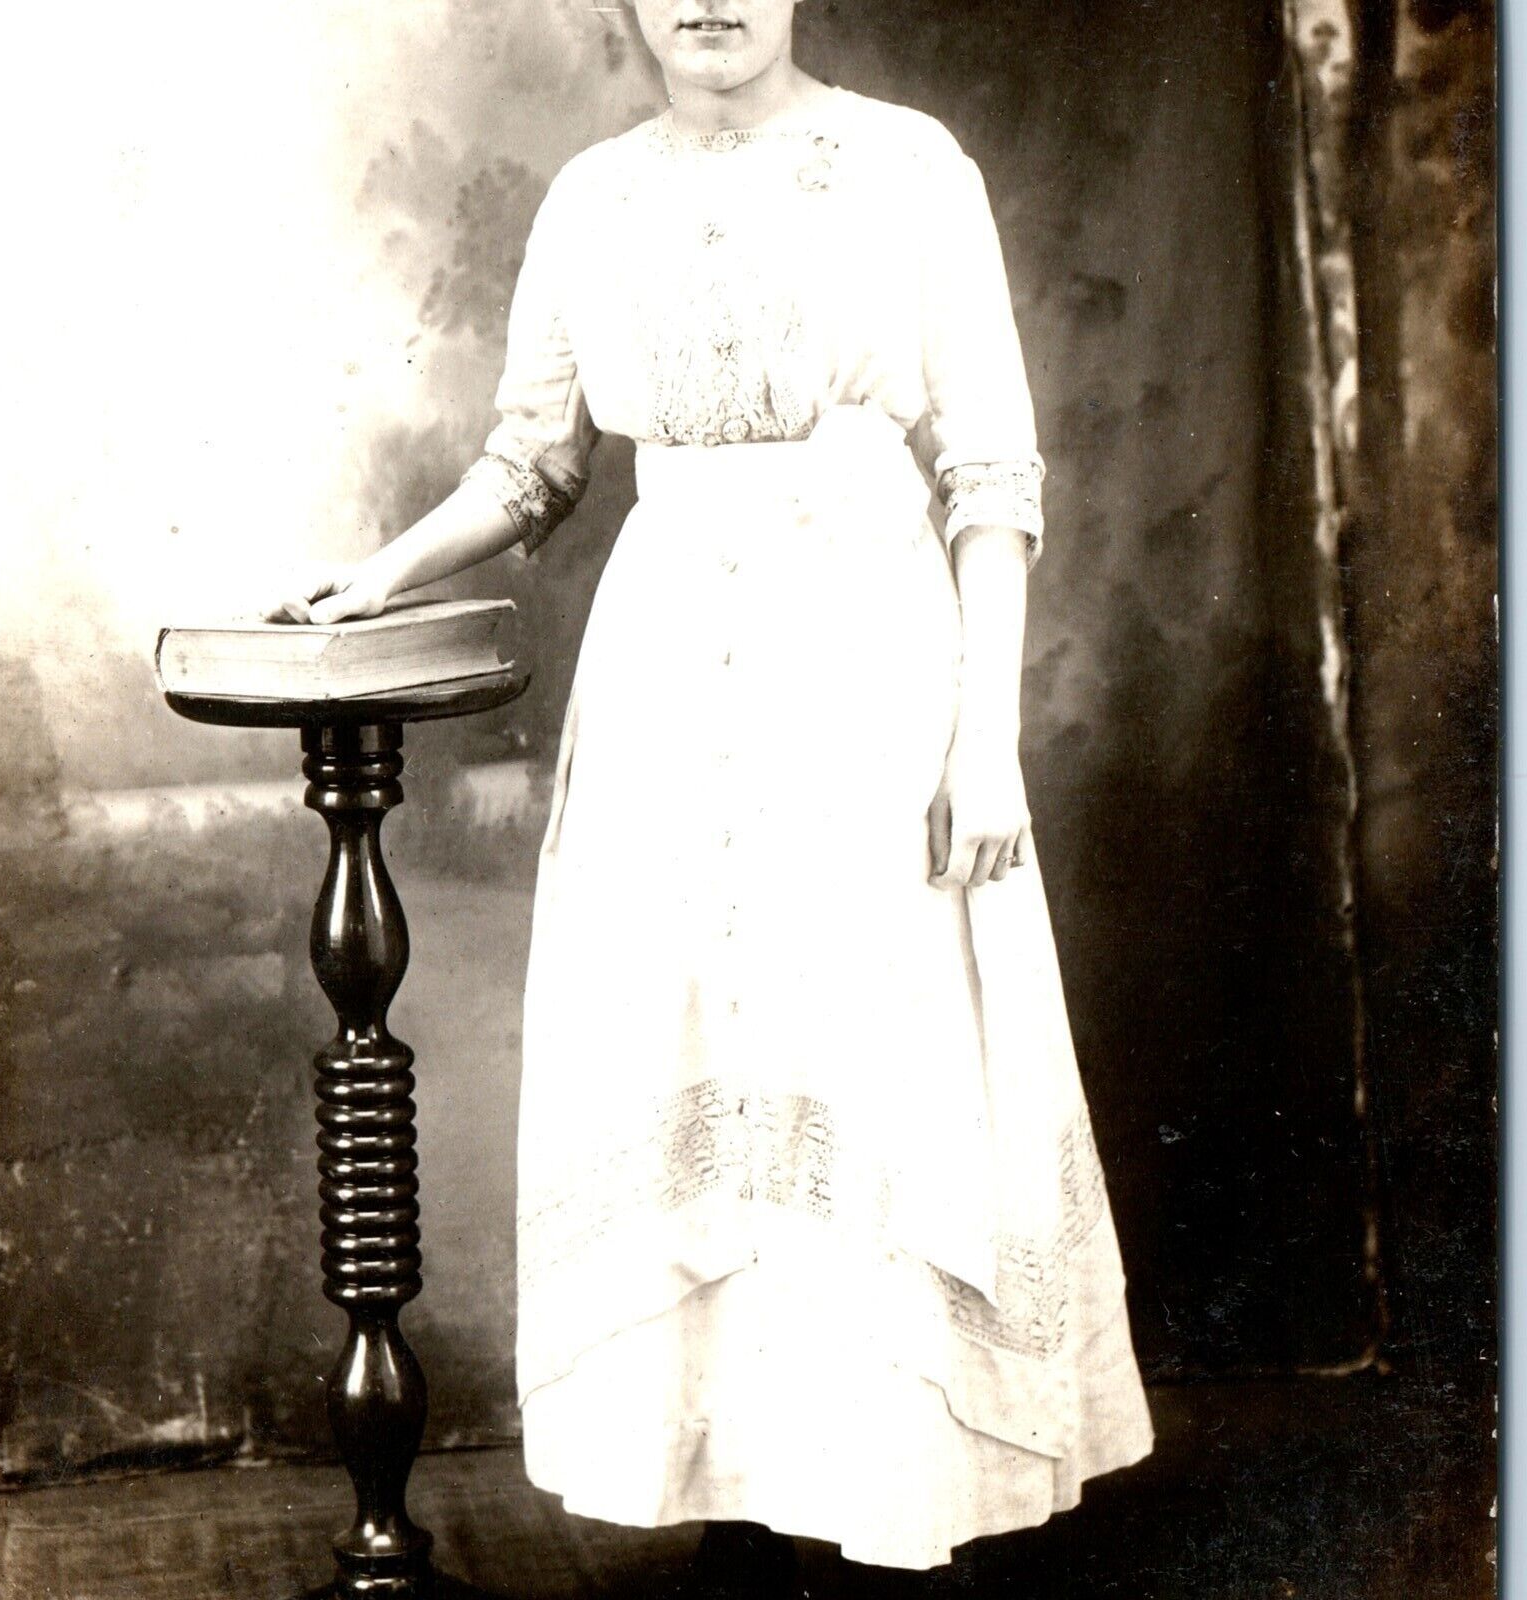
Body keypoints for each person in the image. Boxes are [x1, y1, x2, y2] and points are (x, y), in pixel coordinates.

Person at [268, 0, 1153, 1585]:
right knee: (691, 1038)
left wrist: (985, 736)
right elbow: (533, 464)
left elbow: (990, 469)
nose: (708, 2)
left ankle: (883, 1492)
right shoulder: (594, 199)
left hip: (869, 663)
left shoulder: (909, 168)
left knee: (862, 1050)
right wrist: (379, 574)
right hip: (670, 678)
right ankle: (740, 1501)